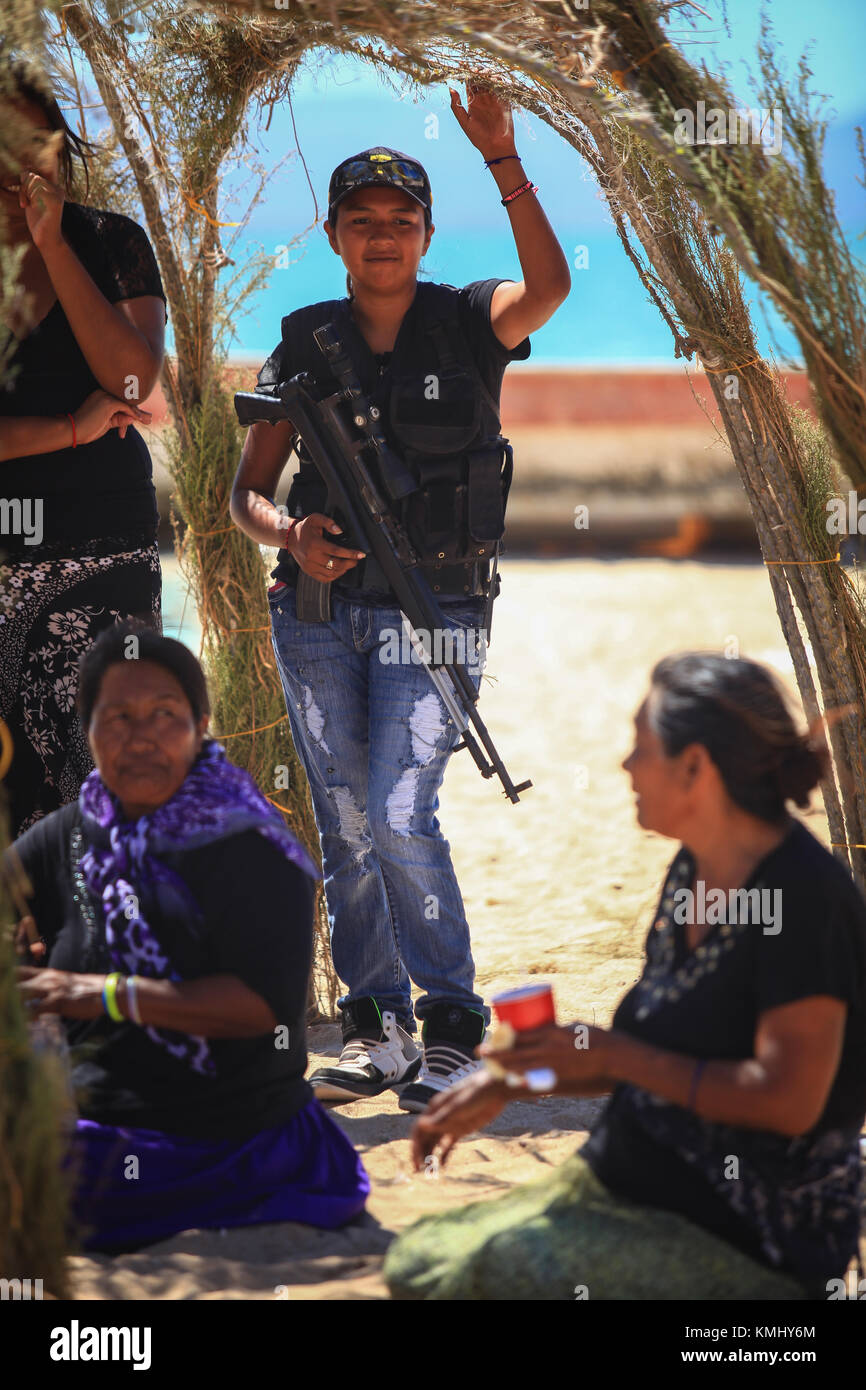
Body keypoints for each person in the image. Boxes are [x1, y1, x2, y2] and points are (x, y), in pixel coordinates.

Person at [230, 82, 571, 1111]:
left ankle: (451, 1022)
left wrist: (503, 159)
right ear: (334, 234)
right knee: (342, 815)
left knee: (398, 810)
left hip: (442, 612)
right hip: (317, 615)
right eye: (361, 221)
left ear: (424, 233)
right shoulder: (302, 338)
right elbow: (243, 491)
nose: (382, 237)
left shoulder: (470, 321)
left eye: (401, 221)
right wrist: (290, 534)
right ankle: (375, 1023)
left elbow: (548, 286)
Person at [383, 654, 866, 1300]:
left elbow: (785, 1099)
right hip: (639, 1182)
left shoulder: (804, 898)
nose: (625, 766)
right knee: (420, 1258)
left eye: (641, 747)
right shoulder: (693, 875)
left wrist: (611, 1050)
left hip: (747, 1232)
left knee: (482, 1273)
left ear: (695, 766)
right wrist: (508, 1081)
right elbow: (656, 1057)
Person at [5, 622, 369, 1253]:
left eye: (164, 714)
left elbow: (259, 1008)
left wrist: (101, 993)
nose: (140, 736)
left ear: (202, 726)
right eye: (116, 717)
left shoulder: (251, 849)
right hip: (96, 1123)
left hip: (233, 1147)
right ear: (87, 733)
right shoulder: (72, 832)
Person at [0, 58, 166, 837]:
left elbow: (133, 382)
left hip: (105, 554)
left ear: (61, 147)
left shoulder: (108, 241)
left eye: (33, 137)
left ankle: (107, 951)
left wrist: (51, 243)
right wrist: (68, 430)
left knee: (106, 770)